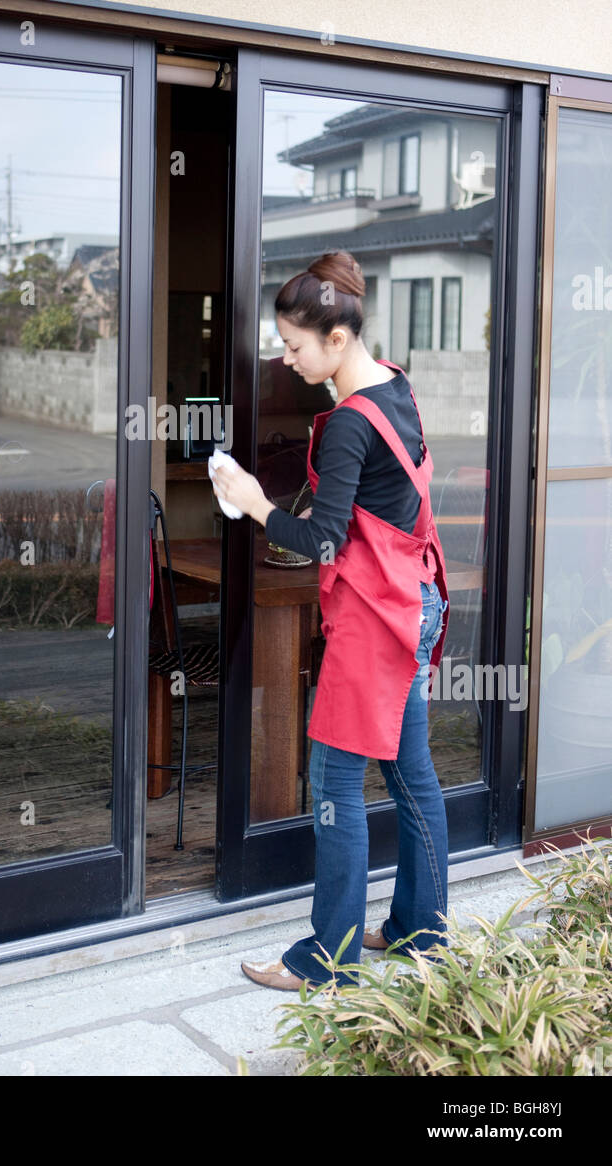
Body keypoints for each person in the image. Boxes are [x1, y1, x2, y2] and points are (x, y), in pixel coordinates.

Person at [210, 249, 450, 993]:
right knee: (412, 776)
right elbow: (371, 506)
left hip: (379, 620)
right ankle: (420, 932)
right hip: (416, 600)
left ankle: (330, 958)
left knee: (335, 778)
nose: (284, 359)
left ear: (337, 340)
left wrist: (254, 502)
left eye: (294, 345)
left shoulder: (348, 422)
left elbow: (322, 540)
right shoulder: (395, 389)